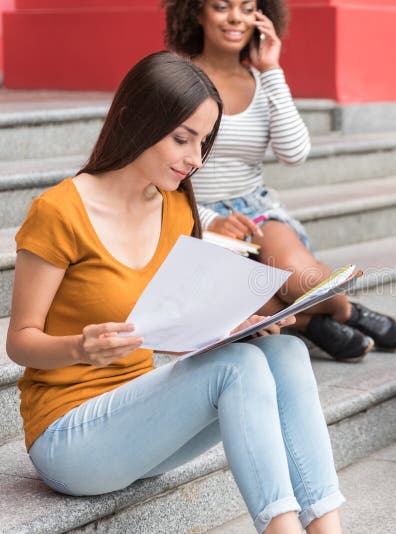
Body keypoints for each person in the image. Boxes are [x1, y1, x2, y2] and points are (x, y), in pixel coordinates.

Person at [6, 51, 343, 534]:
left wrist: (236, 326)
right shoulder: (59, 212)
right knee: (239, 367)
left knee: (284, 350)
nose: (195, 158)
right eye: (181, 139)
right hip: (69, 437)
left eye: (204, 142)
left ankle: (328, 528)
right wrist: (81, 347)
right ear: (134, 121)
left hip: (145, 422)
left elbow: (175, 323)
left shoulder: (176, 207)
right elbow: (19, 341)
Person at [162, 0, 396, 362]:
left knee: (303, 281)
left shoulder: (263, 81)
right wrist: (211, 221)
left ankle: (344, 313)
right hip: (195, 215)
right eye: (221, 6)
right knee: (239, 295)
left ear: (262, 18)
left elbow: (295, 153)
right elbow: (162, 164)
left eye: (247, 8)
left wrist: (273, 69)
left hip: (254, 208)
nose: (235, 18)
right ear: (196, 12)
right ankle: (310, 323)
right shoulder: (176, 81)